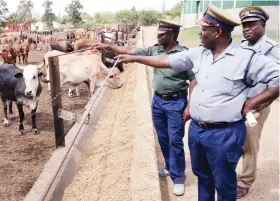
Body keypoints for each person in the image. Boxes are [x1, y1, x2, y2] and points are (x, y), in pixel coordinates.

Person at [98, 5, 279, 201]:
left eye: (204, 30)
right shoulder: (199, 53)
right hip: (197, 131)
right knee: (204, 178)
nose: (200, 34)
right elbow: (166, 60)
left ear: (217, 32)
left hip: (224, 134)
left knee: (224, 184)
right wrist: (135, 58)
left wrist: (252, 103)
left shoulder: (246, 57)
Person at [95, 19, 195, 196]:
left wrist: (190, 104)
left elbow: (194, 79)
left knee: (176, 140)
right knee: (163, 137)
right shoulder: (154, 49)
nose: (158, 37)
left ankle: (178, 177)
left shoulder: (184, 54)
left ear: (171, 35)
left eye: (161, 34)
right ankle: (169, 166)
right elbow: (128, 50)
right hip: (158, 101)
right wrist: (107, 46)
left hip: (176, 102)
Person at [236, 6, 279, 198]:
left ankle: (244, 181)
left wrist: (257, 102)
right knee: (233, 138)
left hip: (256, 105)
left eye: (252, 24)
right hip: (237, 103)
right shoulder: (242, 46)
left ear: (263, 25)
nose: (247, 28)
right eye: (244, 25)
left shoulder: (272, 48)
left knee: (249, 143)